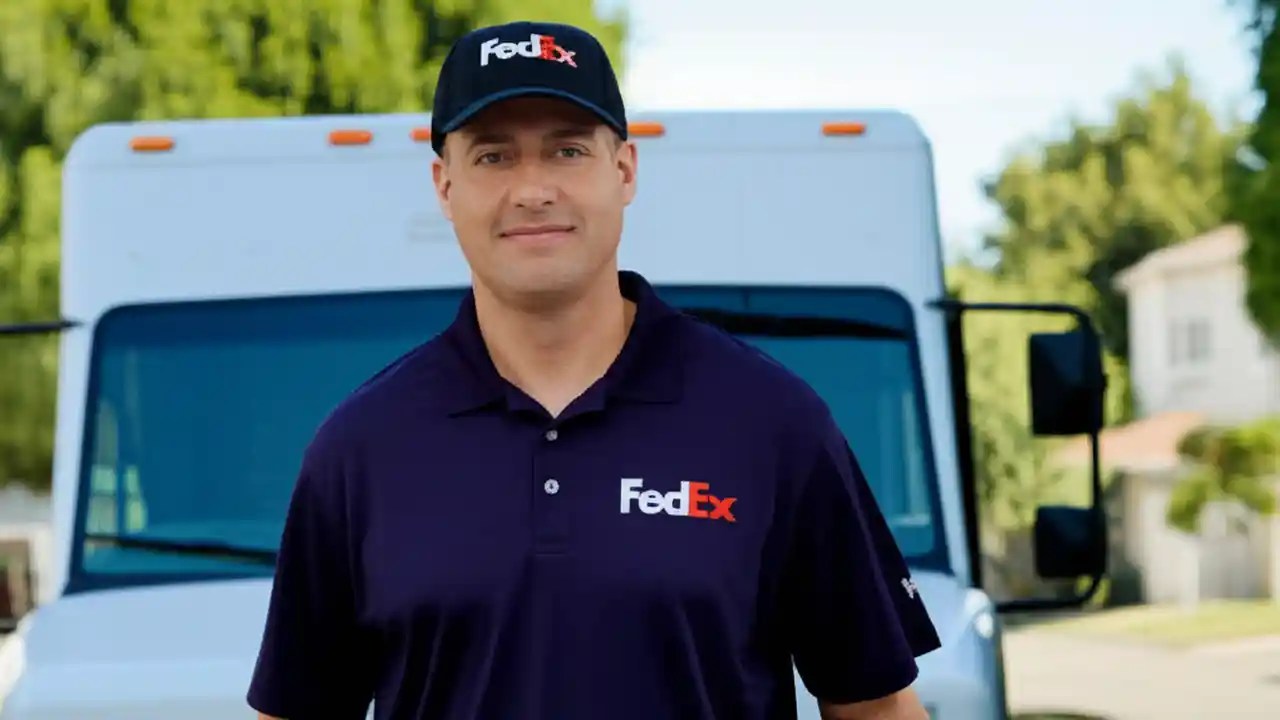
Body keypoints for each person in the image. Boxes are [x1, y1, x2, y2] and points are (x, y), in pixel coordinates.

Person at [246, 19, 941, 720]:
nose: (532, 189)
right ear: (444, 185)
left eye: (568, 150)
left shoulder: (770, 421)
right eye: (493, 156)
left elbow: (877, 709)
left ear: (625, 170)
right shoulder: (361, 447)